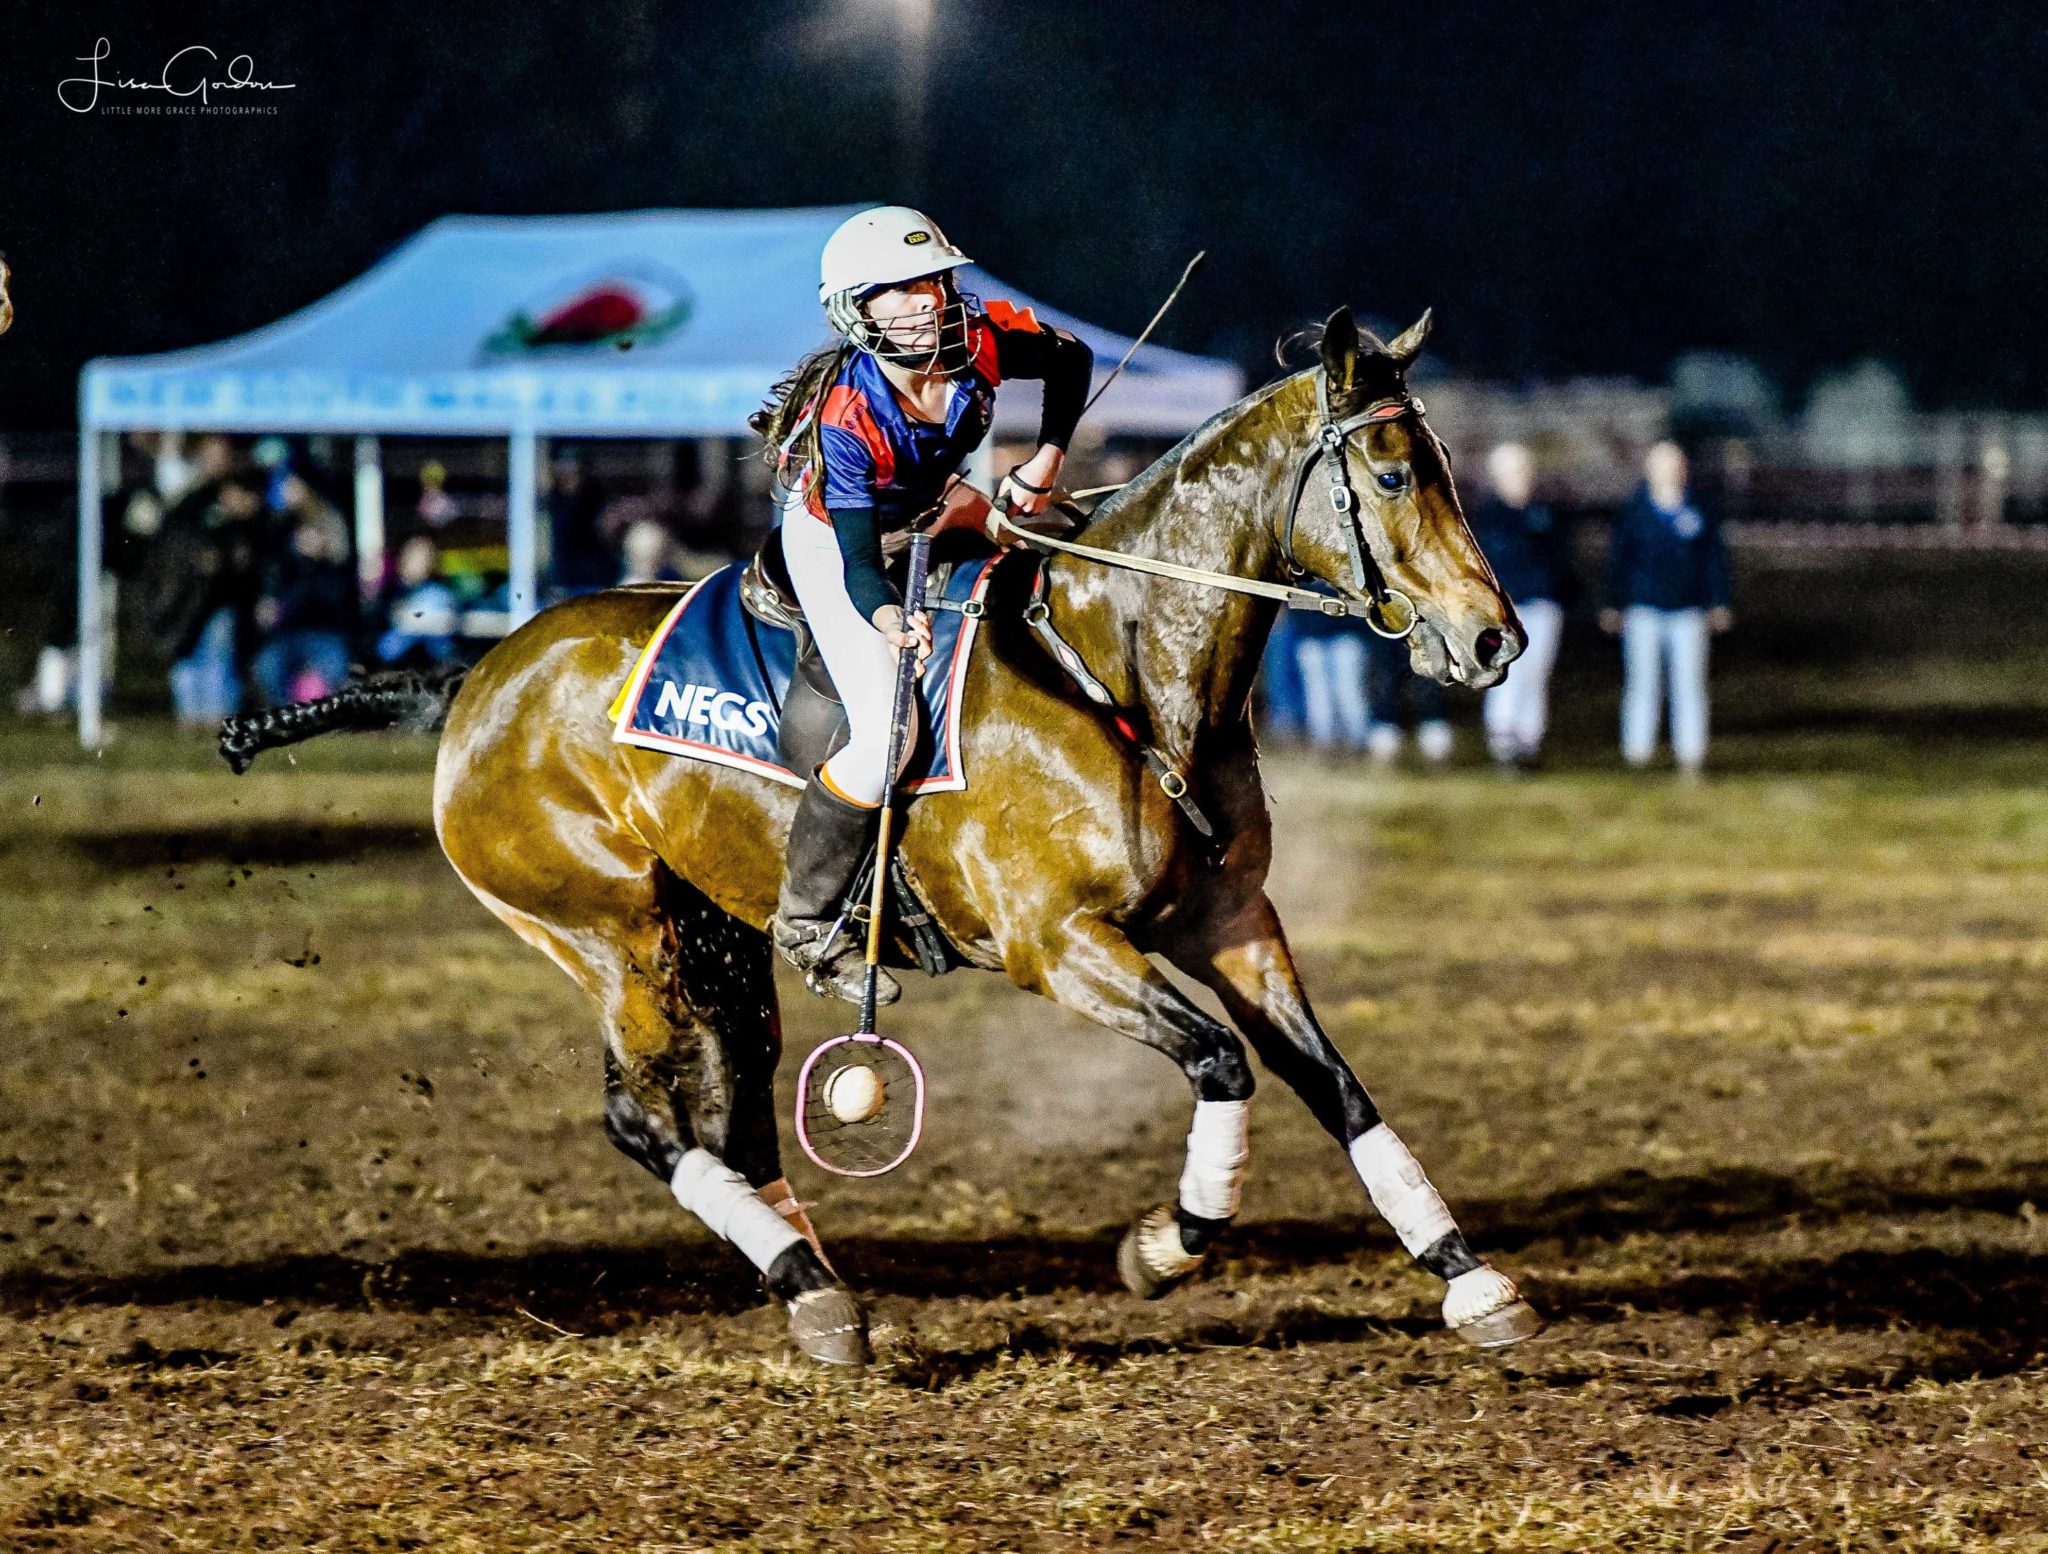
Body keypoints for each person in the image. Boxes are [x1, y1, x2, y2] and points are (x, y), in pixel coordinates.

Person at [749, 205, 1093, 1002]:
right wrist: (887, 618)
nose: (924, 300)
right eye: (895, 290)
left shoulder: (977, 339)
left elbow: (1070, 360)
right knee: (886, 743)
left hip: (935, 500)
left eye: (931, 281)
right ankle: (805, 921)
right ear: (856, 309)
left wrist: (1043, 463)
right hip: (837, 538)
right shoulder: (848, 416)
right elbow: (864, 564)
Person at [1601, 441, 1733, 776]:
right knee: (1642, 683)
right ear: (1649, 470)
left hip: (1688, 611)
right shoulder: (1634, 511)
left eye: (1675, 464)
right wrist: (1612, 603)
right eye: (1662, 464)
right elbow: (1618, 560)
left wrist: (1719, 601)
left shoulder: (1700, 510)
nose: (1669, 471)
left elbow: (1714, 560)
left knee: (1689, 684)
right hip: (1643, 610)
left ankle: (1691, 755)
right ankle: (1638, 753)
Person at [1471, 442, 1572, 770]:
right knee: (1506, 672)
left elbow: (1560, 560)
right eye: (1512, 472)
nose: (1520, 478)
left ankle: (1529, 742)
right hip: (1503, 612)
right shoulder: (1488, 519)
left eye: (1523, 471)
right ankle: (1503, 740)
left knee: (1535, 674)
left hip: (1541, 606)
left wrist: (1555, 591)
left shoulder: (1544, 514)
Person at [376, 535, 463, 669]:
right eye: (413, 559)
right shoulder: (390, 593)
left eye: (423, 560)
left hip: (434, 665)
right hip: (394, 665)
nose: (417, 564)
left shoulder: (439, 594)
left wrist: (413, 619)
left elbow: (447, 622)